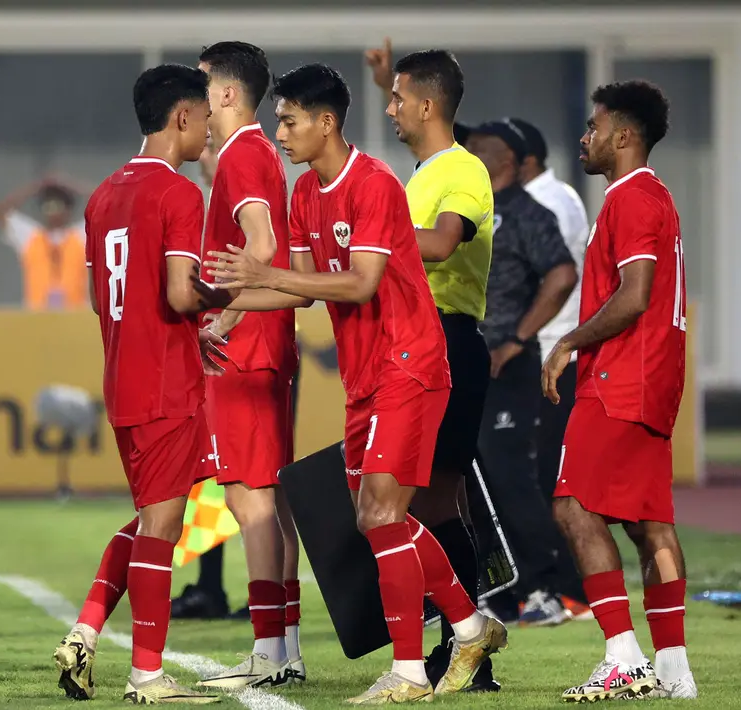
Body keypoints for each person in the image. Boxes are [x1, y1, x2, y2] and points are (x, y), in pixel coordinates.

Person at [200, 62, 506, 705]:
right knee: (379, 521)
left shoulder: (374, 184)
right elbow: (303, 290)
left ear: (325, 121)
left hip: (410, 365)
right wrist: (225, 314)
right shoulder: (308, 194)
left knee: (378, 515)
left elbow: (360, 281)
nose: (279, 132)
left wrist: (270, 274)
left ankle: (409, 673)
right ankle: (471, 625)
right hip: (365, 376)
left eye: (288, 121)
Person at [52, 62, 222, 705]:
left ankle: (86, 631)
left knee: (153, 516)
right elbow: (182, 292)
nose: (207, 129)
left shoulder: (101, 196)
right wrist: (237, 292)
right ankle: (148, 675)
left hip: (124, 381)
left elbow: (102, 300)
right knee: (163, 528)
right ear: (182, 116)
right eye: (204, 117)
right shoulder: (180, 194)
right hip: (167, 384)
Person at [542, 79, 696, 701]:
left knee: (572, 505)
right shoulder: (655, 196)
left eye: (594, 127)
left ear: (624, 136)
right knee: (649, 525)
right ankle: (675, 670)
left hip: (620, 379)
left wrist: (569, 342)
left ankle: (623, 656)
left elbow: (634, 296)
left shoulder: (631, 199)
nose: (586, 137)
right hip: (654, 379)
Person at [366, 42, 496, 689]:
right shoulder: (421, 174)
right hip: (415, 343)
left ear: (424, 104)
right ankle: (462, 643)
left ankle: (461, 642)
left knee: (413, 503)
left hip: (445, 342)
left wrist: (360, 237)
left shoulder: (462, 171)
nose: (388, 108)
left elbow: (443, 244)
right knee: (424, 504)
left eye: (395, 98)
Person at [188, 41, 305, 691]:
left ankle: (267, 650)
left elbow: (261, 246)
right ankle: (282, 645)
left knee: (249, 499)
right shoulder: (245, 156)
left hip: (245, 350)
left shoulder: (242, 155)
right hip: (265, 346)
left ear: (226, 95)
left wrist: (222, 321)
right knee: (269, 502)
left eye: (199, 86)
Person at [459, 120, 580, 627]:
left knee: (511, 479)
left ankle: (547, 586)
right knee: (474, 482)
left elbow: (562, 273)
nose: (469, 166)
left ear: (503, 162)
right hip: (469, 362)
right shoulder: (472, 212)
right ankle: (499, 591)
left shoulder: (529, 212)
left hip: (509, 367)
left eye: (477, 157)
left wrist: (517, 338)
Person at [509, 118, 593, 512]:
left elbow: (552, 279)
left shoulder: (547, 205)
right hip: (548, 351)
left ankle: (554, 569)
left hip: (549, 355)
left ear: (523, 160)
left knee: (541, 479)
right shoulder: (559, 196)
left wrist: (513, 337)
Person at [0, 174, 92, 311]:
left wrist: (69, 185)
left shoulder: (80, 235)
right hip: (36, 315)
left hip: (75, 313)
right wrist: (35, 187)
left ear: (68, 209)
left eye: (58, 206)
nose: (53, 212)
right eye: (48, 206)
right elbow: (0, 212)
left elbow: (106, 205)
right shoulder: (30, 236)